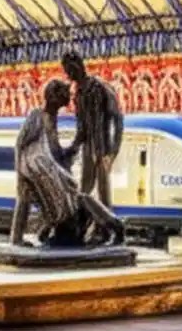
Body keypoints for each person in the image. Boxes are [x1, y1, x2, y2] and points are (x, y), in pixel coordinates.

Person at [10, 79, 122, 247]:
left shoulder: (53, 120)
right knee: (27, 199)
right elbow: (21, 145)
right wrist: (22, 174)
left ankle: (114, 227)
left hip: (52, 178)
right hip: (35, 173)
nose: (69, 98)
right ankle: (116, 227)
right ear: (54, 96)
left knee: (76, 201)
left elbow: (57, 156)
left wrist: (75, 144)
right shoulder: (37, 116)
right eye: (65, 94)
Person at [62, 50, 124, 209]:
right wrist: (72, 149)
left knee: (103, 195)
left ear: (78, 67)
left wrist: (112, 152)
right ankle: (83, 226)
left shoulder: (101, 87)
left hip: (103, 148)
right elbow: (81, 128)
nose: (68, 75)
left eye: (69, 70)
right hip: (88, 148)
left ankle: (106, 228)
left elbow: (117, 119)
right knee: (84, 191)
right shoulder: (78, 94)